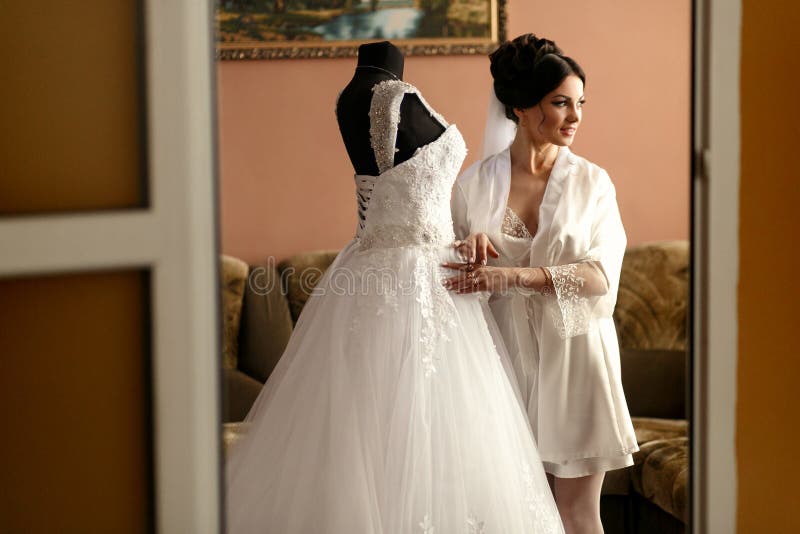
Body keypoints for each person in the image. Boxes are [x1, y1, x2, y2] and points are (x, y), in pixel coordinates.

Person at [224, 41, 563, 533]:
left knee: (391, 417)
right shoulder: (391, 97)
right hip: (419, 272)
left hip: (380, 266)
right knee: (400, 414)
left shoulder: (350, 98)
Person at [446, 34, 639, 534]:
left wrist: (513, 274)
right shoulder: (473, 185)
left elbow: (599, 277)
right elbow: (451, 278)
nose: (574, 116)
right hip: (503, 361)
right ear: (521, 107)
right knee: (503, 514)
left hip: (578, 358)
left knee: (578, 514)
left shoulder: (593, 183)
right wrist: (464, 252)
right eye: (560, 103)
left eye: (580, 104)